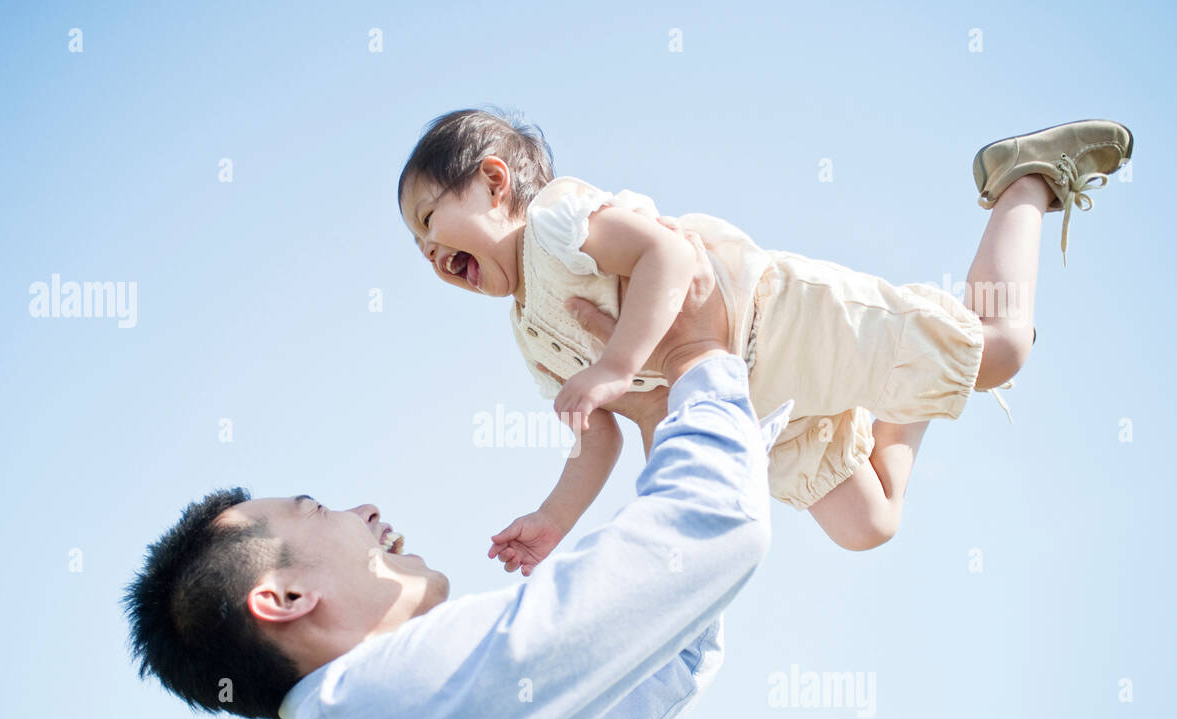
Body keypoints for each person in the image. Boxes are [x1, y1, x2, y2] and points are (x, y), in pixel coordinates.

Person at [123, 224, 794, 719]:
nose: (365, 508)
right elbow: (713, 528)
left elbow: (664, 644)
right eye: (316, 508)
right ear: (286, 596)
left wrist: (660, 415)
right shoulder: (376, 709)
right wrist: (696, 357)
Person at [396, 109, 1133, 560]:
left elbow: (670, 256)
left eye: (430, 219)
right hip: (757, 413)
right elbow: (599, 432)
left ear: (496, 184)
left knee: (1002, 349)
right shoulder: (528, 330)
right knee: (870, 522)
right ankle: (907, 363)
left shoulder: (557, 223)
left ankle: (1023, 182)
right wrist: (555, 518)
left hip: (778, 327)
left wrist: (617, 362)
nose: (430, 254)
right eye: (418, 249)